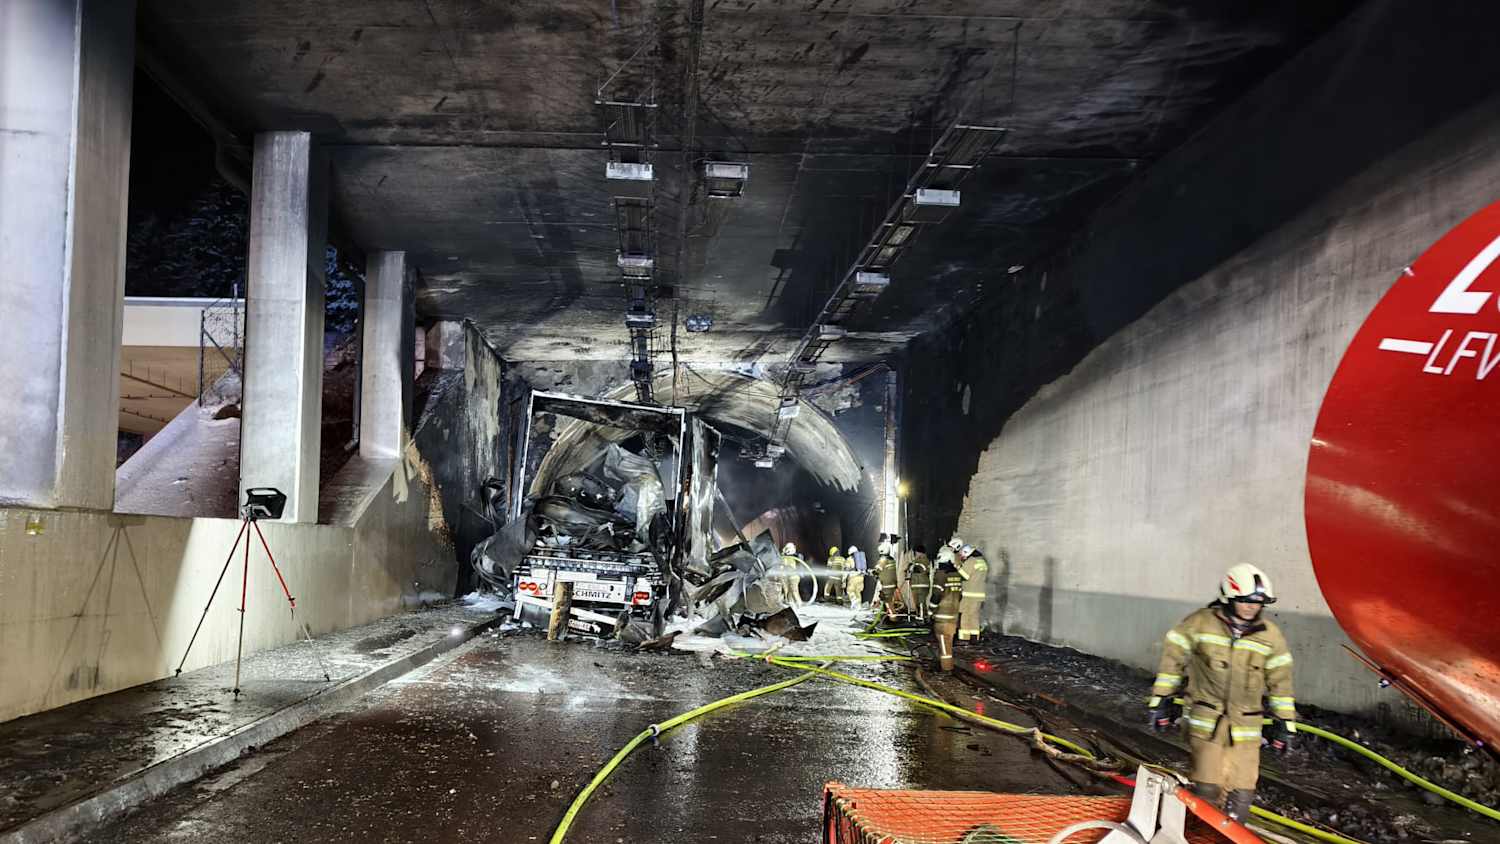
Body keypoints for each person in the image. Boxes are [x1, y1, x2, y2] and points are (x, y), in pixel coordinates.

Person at [1148, 564, 1297, 825]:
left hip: (1246, 727)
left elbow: (1281, 683)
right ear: (1229, 598)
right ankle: (1200, 836)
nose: (1252, 607)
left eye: (1258, 602)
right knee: (1207, 789)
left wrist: (1285, 724)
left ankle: (1228, 834)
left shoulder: (1270, 636)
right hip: (1207, 724)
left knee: (1241, 793)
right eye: (1246, 601)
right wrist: (1162, 700)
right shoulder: (1200, 623)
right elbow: (1172, 661)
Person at [929, 550, 963, 671]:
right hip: (953, 616)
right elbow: (960, 595)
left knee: (944, 645)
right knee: (948, 641)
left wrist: (930, 612)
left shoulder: (941, 575)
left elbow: (936, 596)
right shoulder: (957, 575)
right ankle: (946, 665)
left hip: (942, 617)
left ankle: (946, 670)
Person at [956, 544, 989, 641]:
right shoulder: (982, 561)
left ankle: (964, 638)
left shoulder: (971, 561)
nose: (963, 558)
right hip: (979, 594)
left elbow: (964, 576)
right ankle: (974, 638)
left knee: (965, 616)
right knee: (974, 616)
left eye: (963, 556)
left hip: (969, 594)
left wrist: (957, 567)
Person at [875, 535, 901, 616]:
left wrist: (871, 572)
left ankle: (893, 617)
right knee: (888, 600)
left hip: (887, 584)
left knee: (887, 601)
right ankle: (888, 615)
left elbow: (877, 570)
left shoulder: (883, 559)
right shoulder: (891, 559)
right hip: (892, 584)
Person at [906, 545, 932, 623]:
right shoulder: (916, 560)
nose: (915, 554)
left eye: (916, 552)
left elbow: (922, 569)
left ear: (920, 552)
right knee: (917, 603)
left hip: (922, 585)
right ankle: (920, 617)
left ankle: (922, 618)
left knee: (921, 603)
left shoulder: (925, 560)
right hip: (915, 585)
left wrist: (913, 567)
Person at [779, 542, 804, 607]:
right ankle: (790, 602)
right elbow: (781, 566)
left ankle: (798, 603)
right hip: (787, 577)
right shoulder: (784, 557)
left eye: (789, 548)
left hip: (794, 576)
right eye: (787, 548)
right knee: (788, 591)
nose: (787, 550)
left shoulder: (796, 556)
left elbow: (800, 558)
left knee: (794, 590)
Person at [845, 545, 866, 611]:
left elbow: (847, 568)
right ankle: (858, 606)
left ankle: (854, 602)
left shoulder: (849, 559)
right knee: (858, 592)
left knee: (850, 591)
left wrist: (844, 578)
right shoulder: (861, 559)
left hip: (853, 577)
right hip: (861, 577)